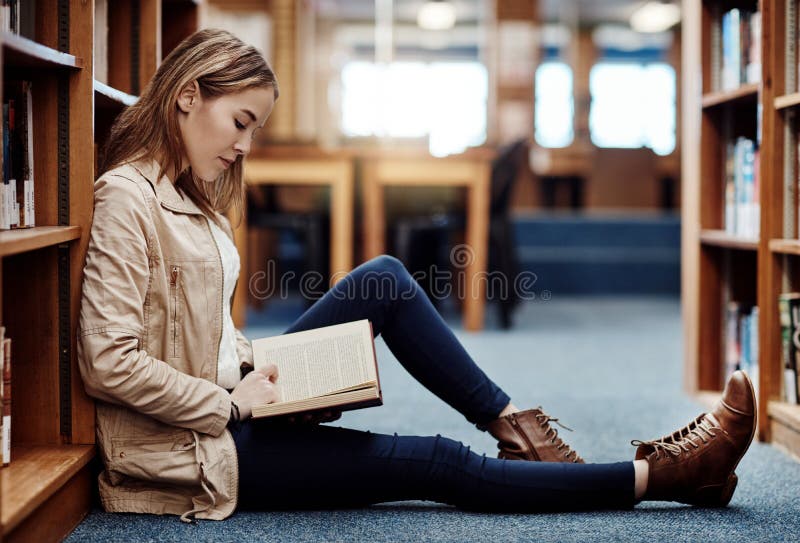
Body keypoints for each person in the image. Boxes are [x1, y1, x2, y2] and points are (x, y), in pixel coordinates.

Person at [77, 28, 757, 523]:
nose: (245, 146)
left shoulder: (194, 199)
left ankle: (518, 429)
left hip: (237, 399)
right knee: (436, 462)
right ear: (188, 97)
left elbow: (204, 340)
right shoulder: (126, 198)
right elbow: (109, 362)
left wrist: (289, 374)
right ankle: (662, 476)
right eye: (241, 122)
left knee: (386, 279)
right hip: (200, 447)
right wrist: (232, 402)